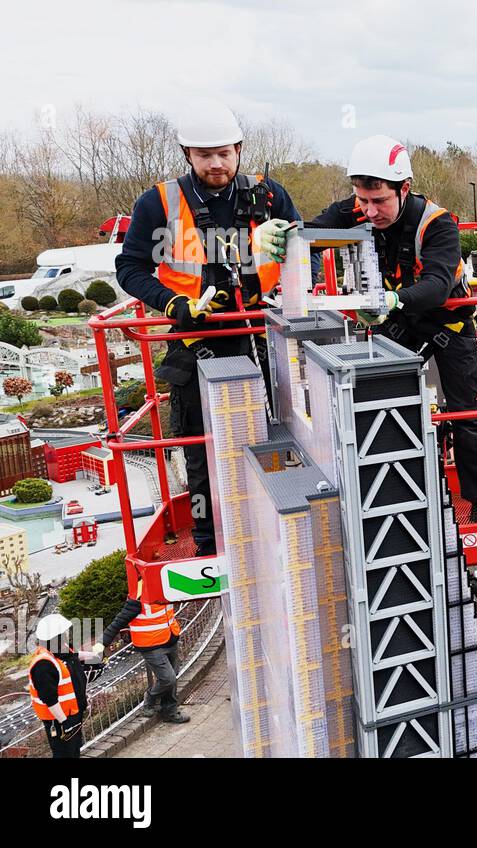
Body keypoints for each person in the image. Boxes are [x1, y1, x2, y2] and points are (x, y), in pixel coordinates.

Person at [115, 98, 300, 555]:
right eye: (204, 155)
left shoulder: (269, 195)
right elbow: (131, 268)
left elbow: (303, 251)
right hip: (198, 339)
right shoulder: (159, 203)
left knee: (278, 431)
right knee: (202, 447)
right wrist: (173, 303)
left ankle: (281, 524)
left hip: (261, 333)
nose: (216, 164)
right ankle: (208, 540)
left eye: (223, 153)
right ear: (187, 156)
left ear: (238, 149)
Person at [308, 134, 477, 522]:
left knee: (465, 412)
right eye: (362, 200)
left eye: (379, 201)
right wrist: (285, 238)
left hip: (447, 322)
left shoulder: (437, 224)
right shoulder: (360, 208)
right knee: (381, 399)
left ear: (404, 188)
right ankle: (393, 492)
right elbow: (314, 232)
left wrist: (391, 300)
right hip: (398, 321)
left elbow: (438, 284)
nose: (370, 211)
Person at [94, 579, 187, 723]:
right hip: (150, 644)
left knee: (172, 676)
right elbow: (120, 619)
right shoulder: (138, 592)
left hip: (170, 637)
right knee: (168, 679)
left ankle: (169, 711)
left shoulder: (166, 580)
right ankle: (150, 698)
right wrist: (102, 642)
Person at [27, 614, 100, 758]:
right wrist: (64, 722)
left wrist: (93, 656)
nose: (67, 635)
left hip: (72, 713)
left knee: (74, 749)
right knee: (64, 753)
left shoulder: (59, 650)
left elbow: (73, 657)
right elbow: (49, 698)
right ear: (55, 637)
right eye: (64, 633)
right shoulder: (44, 665)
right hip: (59, 720)